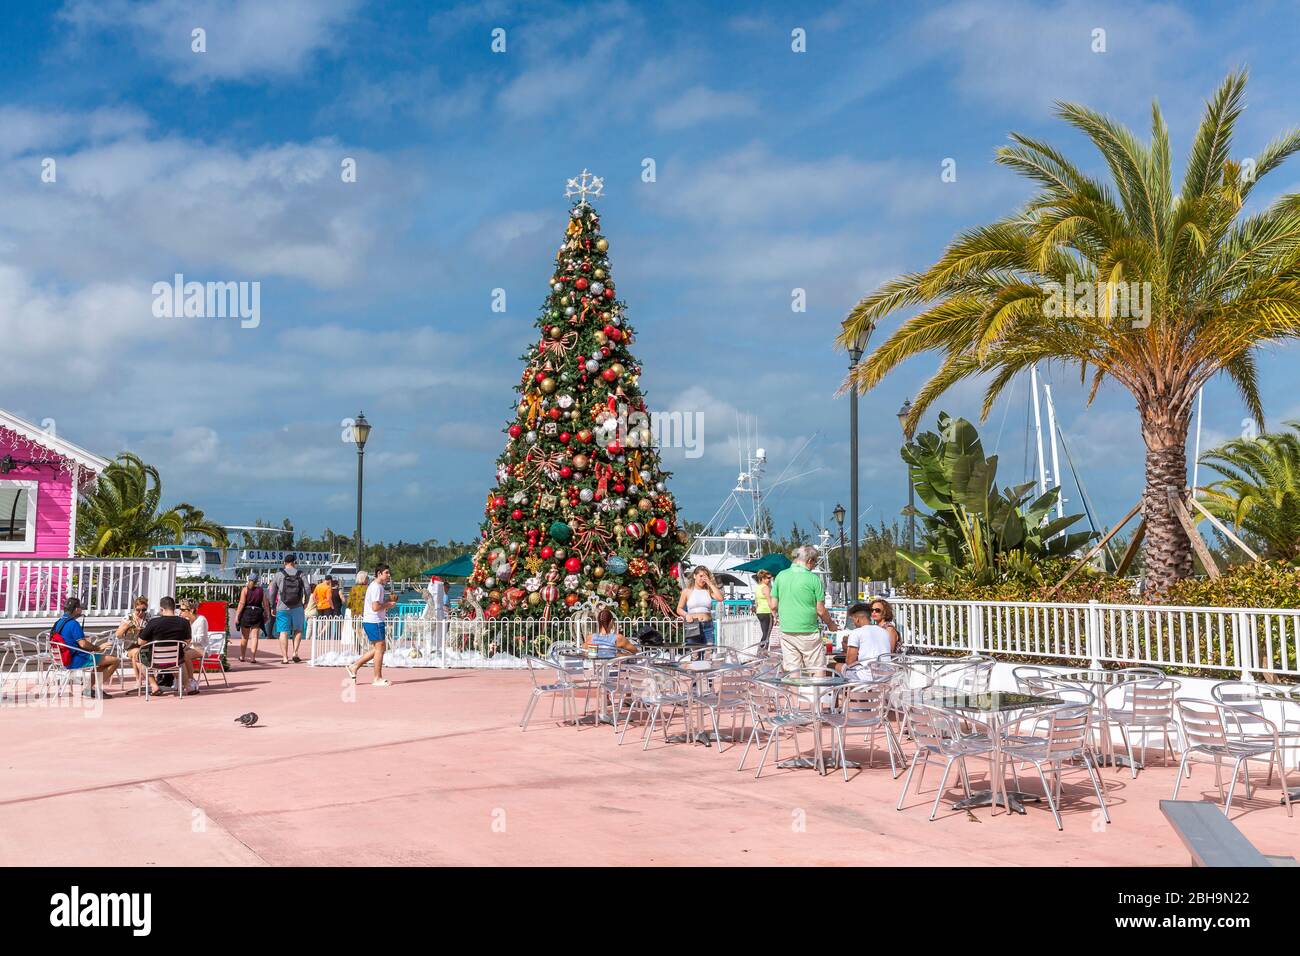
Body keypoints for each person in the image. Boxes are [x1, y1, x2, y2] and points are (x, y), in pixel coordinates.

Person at [769, 545, 837, 673]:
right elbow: (821, 610)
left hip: (787, 630)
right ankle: (816, 692)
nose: (814, 566)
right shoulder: (813, 579)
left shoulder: (781, 576)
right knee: (817, 669)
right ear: (810, 560)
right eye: (815, 563)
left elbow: (773, 605)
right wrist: (831, 624)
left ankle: (795, 694)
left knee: (792, 670)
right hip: (808, 630)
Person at [51, 597, 119, 698]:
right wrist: (98, 647)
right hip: (75, 659)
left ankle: (89, 688)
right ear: (77, 609)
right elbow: (83, 644)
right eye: (80, 607)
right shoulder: (73, 623)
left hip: (62, 659)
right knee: (115, 660)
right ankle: (92, 689)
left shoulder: (58, 622)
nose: (81, 610)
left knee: (103, 661)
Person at [345, 564, 396, 686]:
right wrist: (388, 604)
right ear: (379, 573)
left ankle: (354, 666)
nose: (388, 575)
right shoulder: (377, 587)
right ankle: (377, 678)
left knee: (379, 648)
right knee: (380, 649)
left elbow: (377, 604)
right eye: (386, 573)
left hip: (372, 620)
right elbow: (375, 607)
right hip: (374, 621)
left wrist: (386, 603)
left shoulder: (376, 586)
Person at [133, 596, 192, 696]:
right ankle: (188, 687)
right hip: (176, 660)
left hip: (155, 661)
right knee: (181, 661)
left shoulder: (153, 622)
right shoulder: (184, 622)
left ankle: (154, 686)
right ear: (174, 608)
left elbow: (140, 642)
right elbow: (187, 640)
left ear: (161, 609)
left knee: (138, 658)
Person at [269, 554, 309, 664]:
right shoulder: (301, 574)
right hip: (297, 606)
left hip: (282, 607)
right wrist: (306, 602)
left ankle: (285, 658)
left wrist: (272, 605)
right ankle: (295, 652)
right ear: (294, 562)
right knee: (298, 630)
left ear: (284, 563)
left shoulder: (278, 575)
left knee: (283, 631)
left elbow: (272, 591)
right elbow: (307, 589)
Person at [834, 603, 893, 678]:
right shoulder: (884, 631)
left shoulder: (856, 632)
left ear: (857, 619)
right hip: (885, 675)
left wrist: (846, 648)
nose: (853, 623)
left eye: (853, 619)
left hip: (867, 675)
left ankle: (844, 689)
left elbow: (849, 662)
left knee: (833, 666)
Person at [676, 566, 723, 645]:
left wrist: (710, 583)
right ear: (695, 576)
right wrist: (686, 615)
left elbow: (720, 598)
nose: (703, 579)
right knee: (695, 654)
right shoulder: (687, 591)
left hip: (708, 625)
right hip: (693, 625)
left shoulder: (708, 591)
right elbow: (679, 609)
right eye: (701, 576)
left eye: (705, 576)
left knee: (708, 652)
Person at [234, 572, 271, 663]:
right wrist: (268, 614)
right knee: (254, 637)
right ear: (257, 581)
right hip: (257, 613)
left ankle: (242, 656)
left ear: (249, 580)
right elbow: (265, 604)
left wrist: (237, 615)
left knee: (244, 637)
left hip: (246, 613)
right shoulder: (261, 590)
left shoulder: (245, 590)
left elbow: (242, 603)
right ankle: (253, 657)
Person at [177, 598, 210, 694]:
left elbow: (200, 639)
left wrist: (187, 639)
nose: (180, 612)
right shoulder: (185, 621)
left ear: (191, 610)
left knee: (184, 655)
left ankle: (191, 680)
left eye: (183, 610)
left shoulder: (201, 620)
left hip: (201, 648)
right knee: (178, 653)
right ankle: (181, 680)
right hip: (189, 647)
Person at [753, 570, 774, 647]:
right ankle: (762, 651)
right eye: (768, 578)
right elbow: (769, 601)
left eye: (770, 578)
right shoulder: (766, 588)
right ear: (762, 578)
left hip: (760, 612)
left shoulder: (758, 587)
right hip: (767, 612)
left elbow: (756, 601)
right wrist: (774, 613)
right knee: (767, 634)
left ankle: (761, 651)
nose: (769, 579)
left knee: (764, 632)